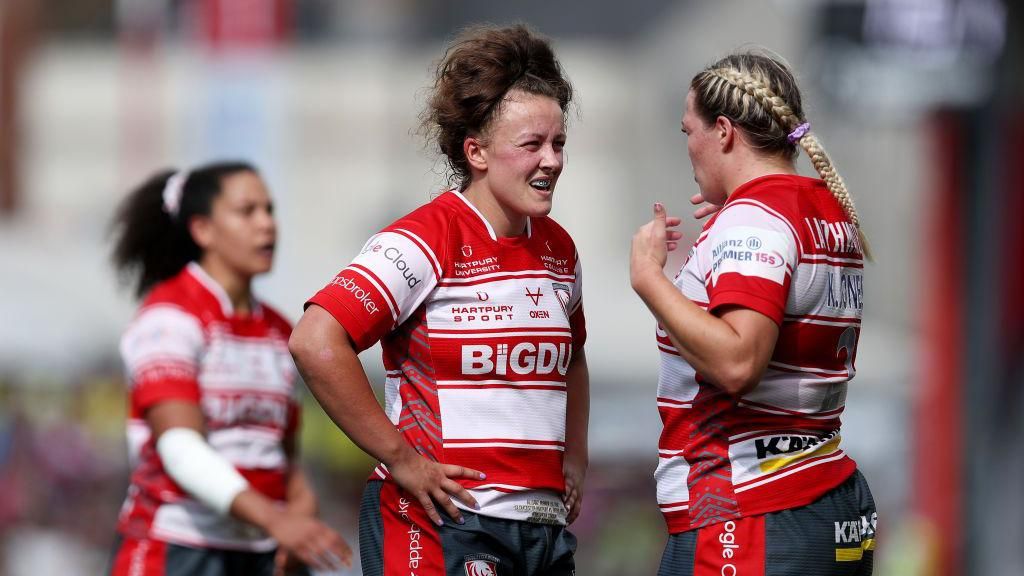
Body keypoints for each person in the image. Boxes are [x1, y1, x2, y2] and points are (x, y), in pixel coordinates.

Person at [289, 24, 589, 576]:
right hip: (443, 524)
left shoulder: (559, 249)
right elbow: (315, 341)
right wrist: (401, 459)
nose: (552, 160)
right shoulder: (423, 239)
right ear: (475, 151)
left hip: (542, 532)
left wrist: (574, 453)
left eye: (559, 142)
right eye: (532, 145)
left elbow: (573, 359)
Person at [630, 52, 878, 575]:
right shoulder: (823, 208)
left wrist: (650, 279)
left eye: (687, 131)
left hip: (746, 512)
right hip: (827, 499)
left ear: (723, 132)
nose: (689, 149)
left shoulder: (754, 222)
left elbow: (739, 363)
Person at [108, 161, 352, 576]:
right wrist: (278, 521)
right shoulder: (169, 317)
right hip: (180, 547)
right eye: (247, 211)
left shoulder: (280, 329)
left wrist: (300, 514)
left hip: (263, 551)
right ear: (202, 230)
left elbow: (283, 455)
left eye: (270, 210)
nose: (267, 225)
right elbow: (180, 449)